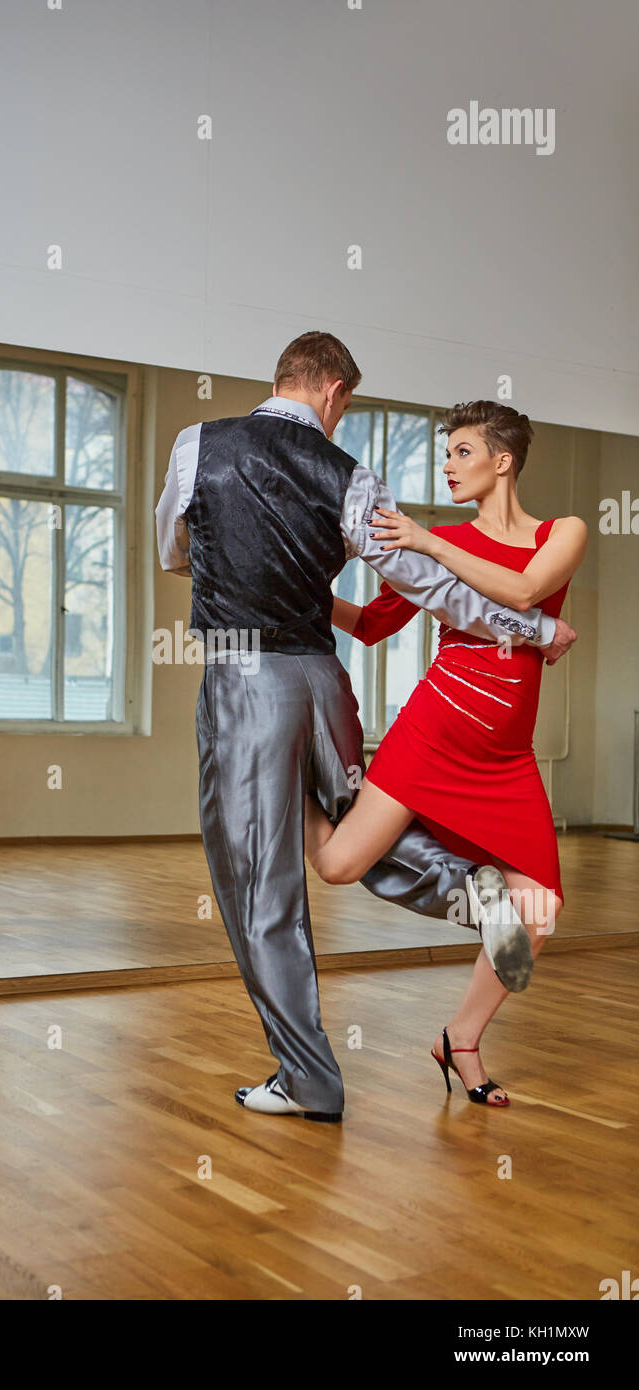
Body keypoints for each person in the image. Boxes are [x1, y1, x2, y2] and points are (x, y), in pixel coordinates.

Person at [155, 330, 577, 1123]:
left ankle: (309, 1081)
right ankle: (482, 902)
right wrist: (535, 632)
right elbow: (426, 587)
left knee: (259, 885)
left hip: (247, 678)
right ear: (335, 393)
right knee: (349, 834)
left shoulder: (197, 445)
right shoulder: (348, 474)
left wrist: (231, 560)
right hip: (323, 682)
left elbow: (173, 548)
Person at [304, 400, 587, 1106]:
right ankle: (282, 781)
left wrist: (429, 545)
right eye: (447, 452)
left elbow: (524, 589)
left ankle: (459, 1037)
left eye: (462, 452)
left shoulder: (564, 532)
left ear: (503, 460)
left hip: (507, 758)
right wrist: (304, 596)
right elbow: (370, 625)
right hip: (434, 732)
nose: (449, 465)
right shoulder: (439, 539)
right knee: (338, 864)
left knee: (539, 913)